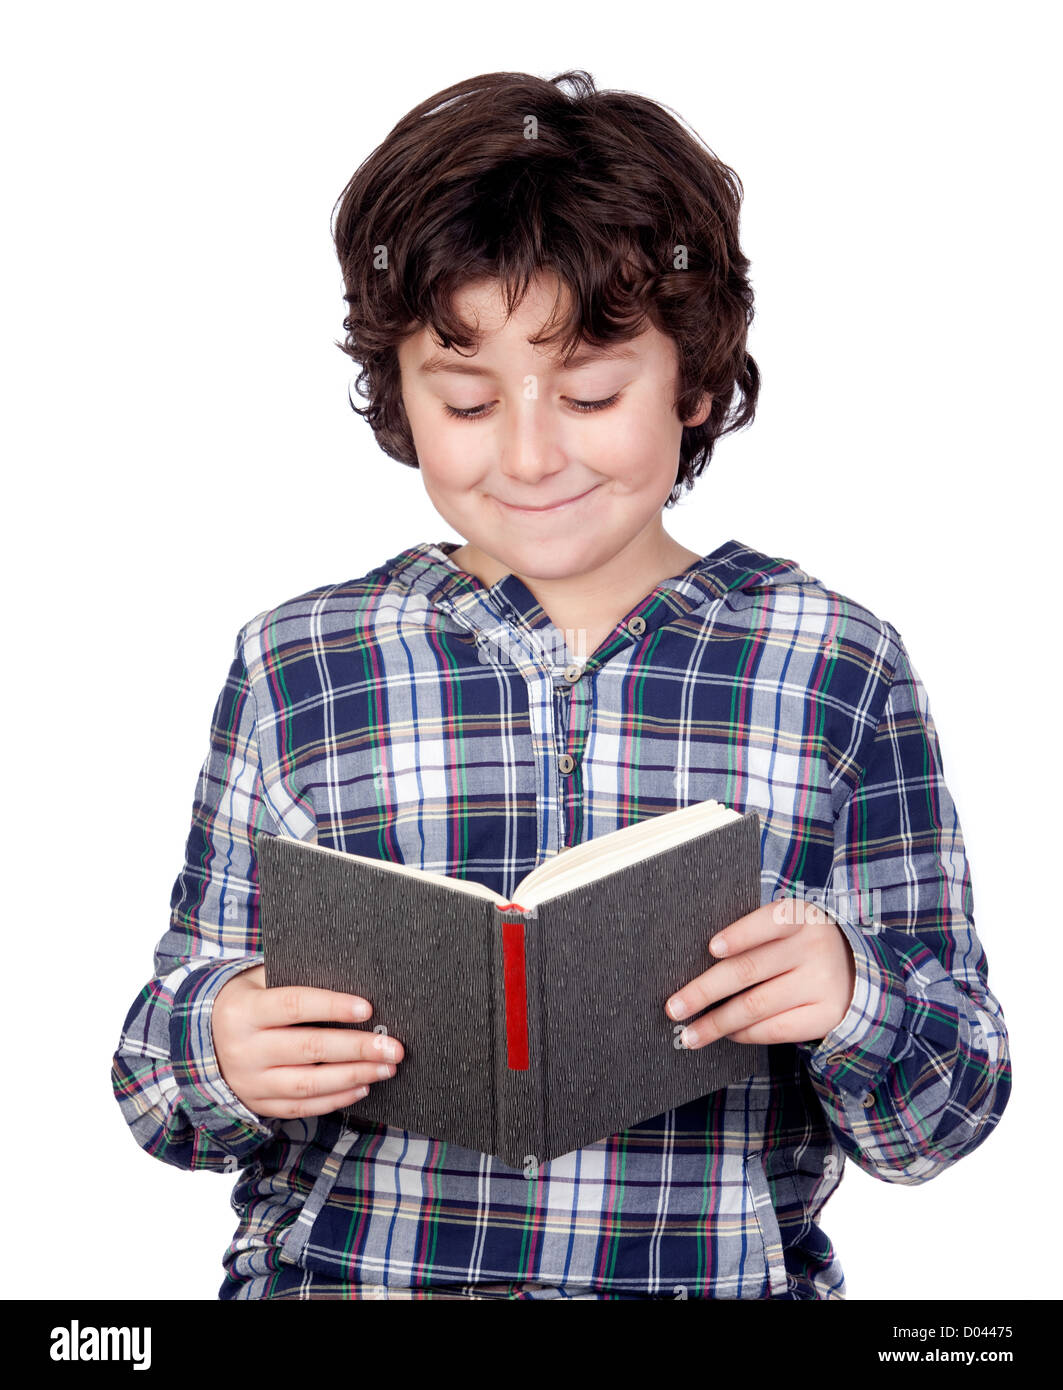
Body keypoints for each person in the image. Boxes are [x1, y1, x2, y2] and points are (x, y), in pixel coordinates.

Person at [111, 69, 1011, 1300]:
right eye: (468, 399)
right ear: (400, 399)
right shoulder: (302, 660)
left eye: (590, 394)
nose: (530, 453)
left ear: (694, 382)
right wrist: (220, 1047)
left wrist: (851, 996)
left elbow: (948, 1113)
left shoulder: (830, 663)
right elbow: (158, 1080)